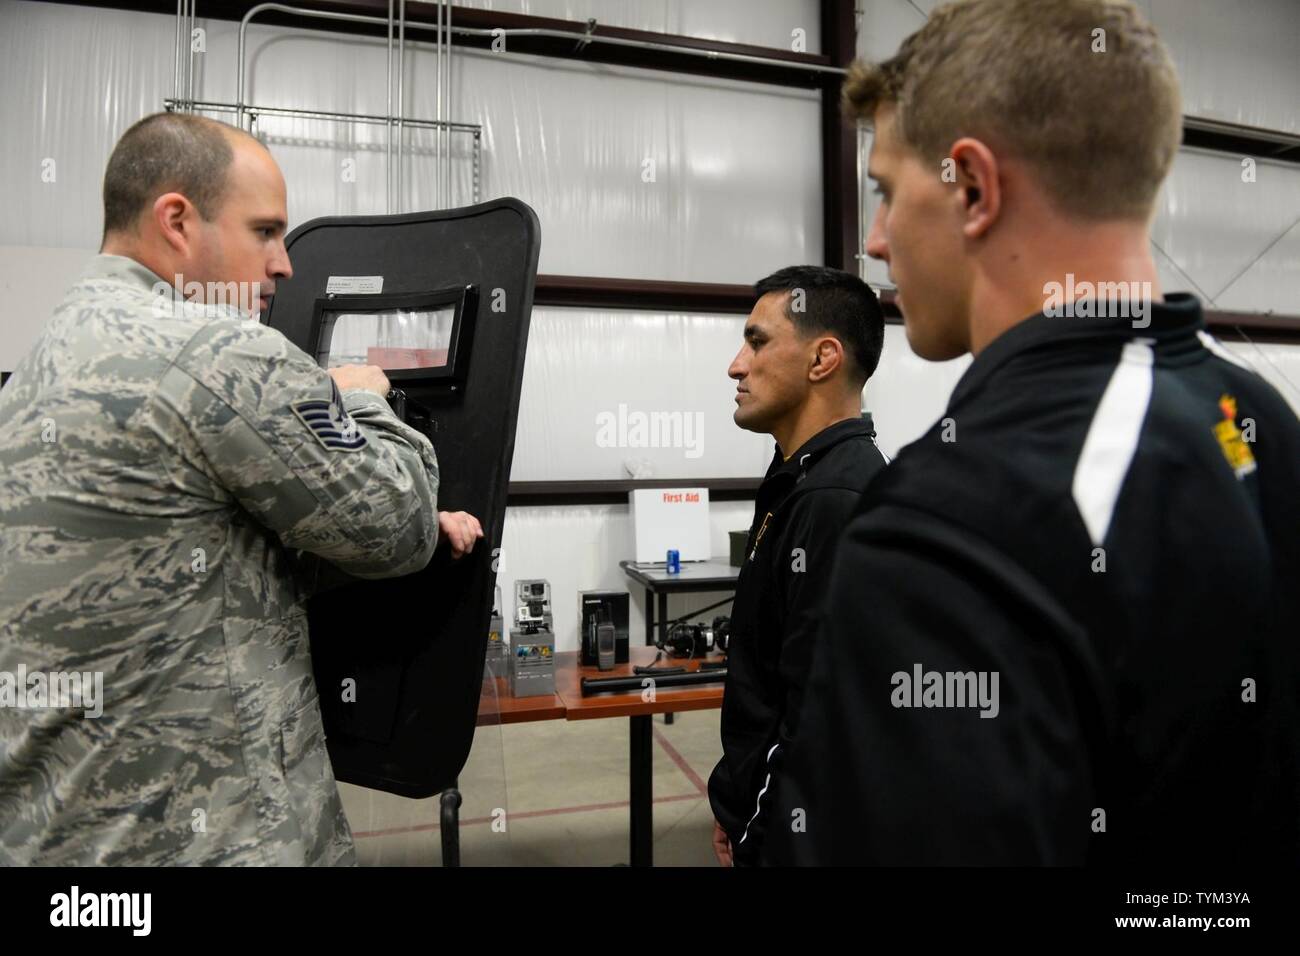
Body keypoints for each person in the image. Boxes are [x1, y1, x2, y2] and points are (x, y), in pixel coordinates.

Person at [766, 0, 1300, 865]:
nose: (874, 241)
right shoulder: (1262, 424)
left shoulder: (948, 523)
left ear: (973, 187)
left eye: (887, 191)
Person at [0, 112, 482, 865]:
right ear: (176, 221)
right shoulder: (218, 353)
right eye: (263, 231)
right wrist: (357, 396)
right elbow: (396, 526)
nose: (284, 264)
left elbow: (182, 565)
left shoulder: (34, 372)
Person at [709, 266, 887, 866]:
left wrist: (755, 831)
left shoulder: (835, 500)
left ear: (822, 360)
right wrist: (733, 803)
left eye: (757, 342)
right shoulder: (801, 478)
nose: (736, 366)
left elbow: (815, 721)